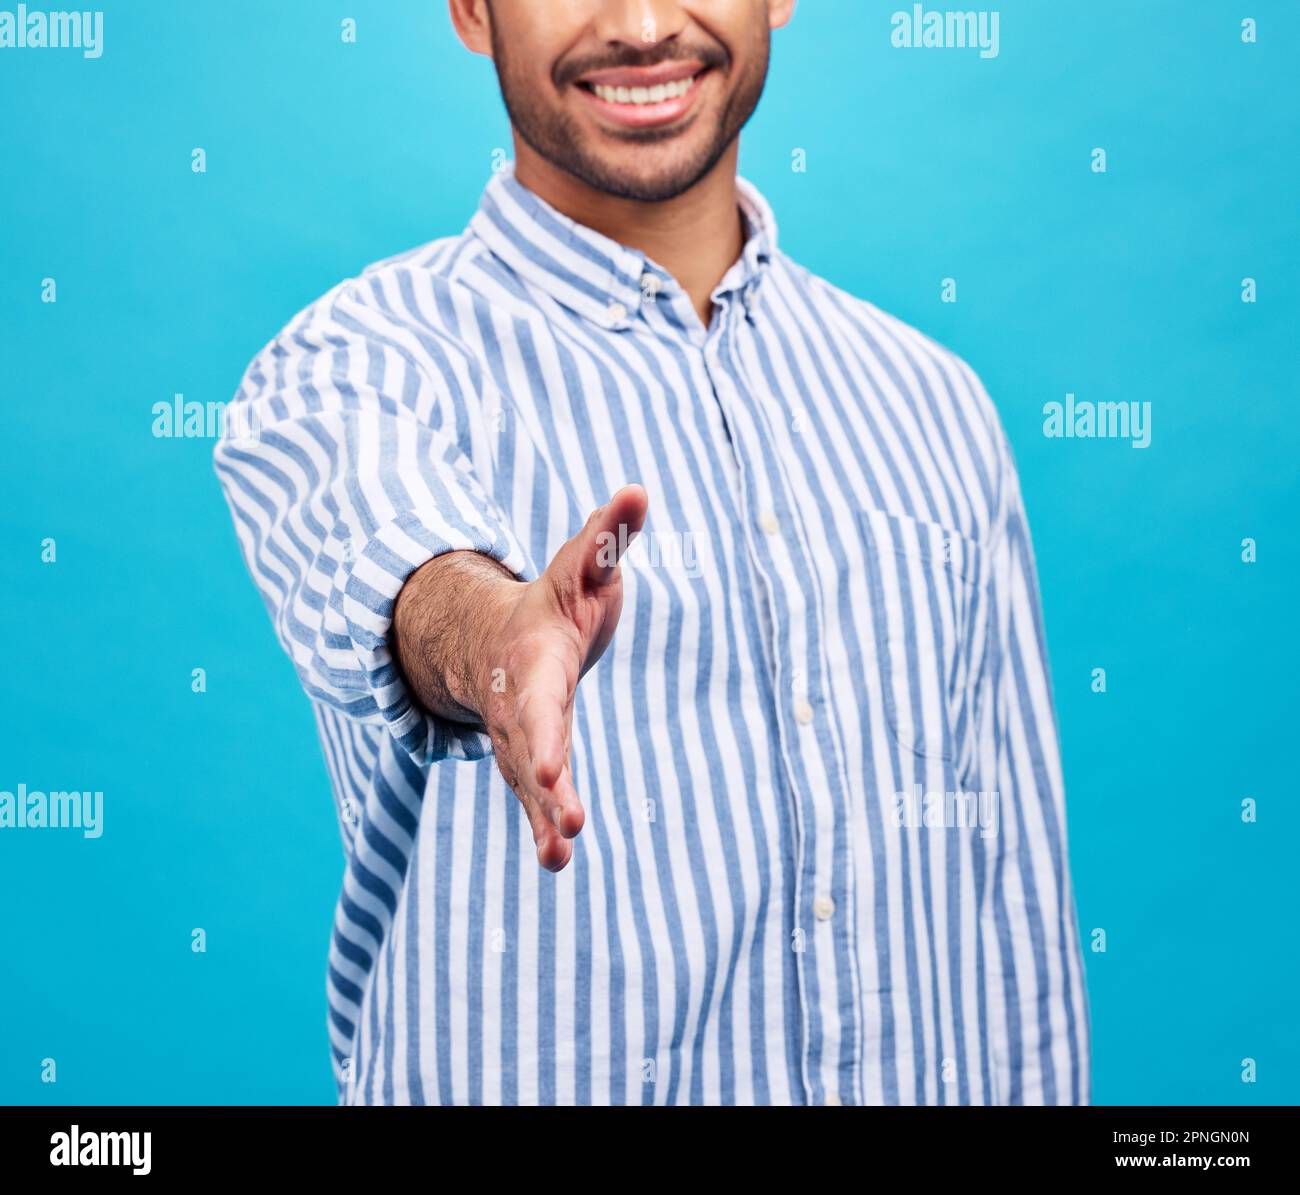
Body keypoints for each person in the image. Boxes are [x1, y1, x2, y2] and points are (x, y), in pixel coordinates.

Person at [214, 0, 1089, 1105]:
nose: (639, 26)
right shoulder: (354, 366)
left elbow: (1012, 911)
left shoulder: (935, 404)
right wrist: (497, 639)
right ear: (472, 11)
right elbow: (398, 564)